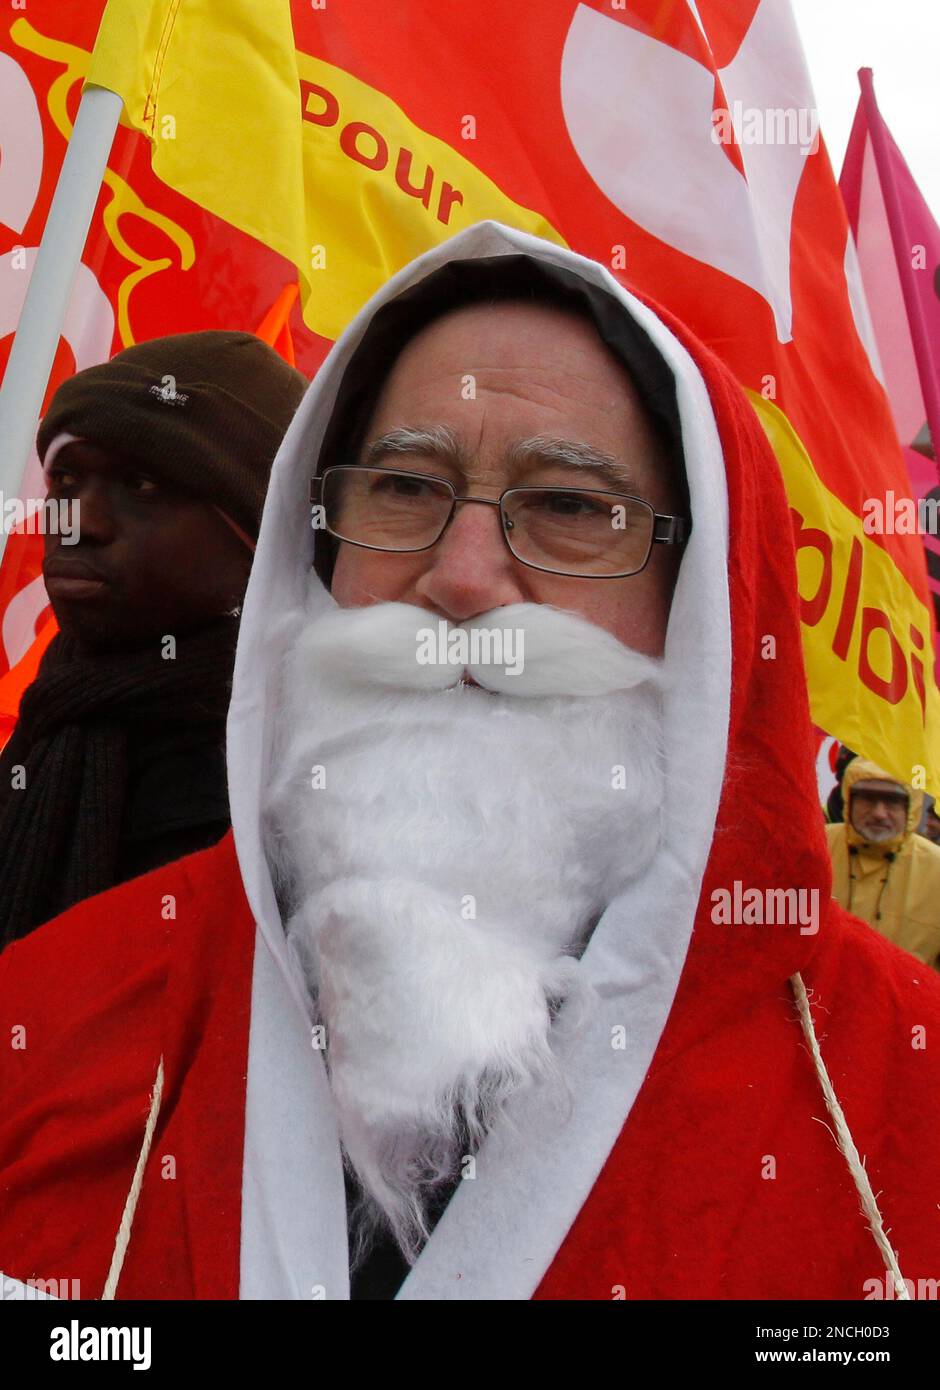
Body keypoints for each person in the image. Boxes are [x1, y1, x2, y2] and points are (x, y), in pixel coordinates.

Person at [2, 223, 939, 1303]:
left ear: (700, 601)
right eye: (403, 489)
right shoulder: (48, 1017)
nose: (461, 577)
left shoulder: (895, 1098)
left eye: (570, 508)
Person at [0, 331, 306, 948]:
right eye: (65, 480)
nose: (78, 519)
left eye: (141, 484)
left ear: (255, 535)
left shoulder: (278, 794)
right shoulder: (54, 715)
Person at [825, 757, 940, 970]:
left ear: (911, 807)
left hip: (906, 1002)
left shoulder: (936, 869)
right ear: (849, 800)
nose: (879, 813)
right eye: (868, 798)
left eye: (892, 801)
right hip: (814, 999)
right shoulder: (817, 847)